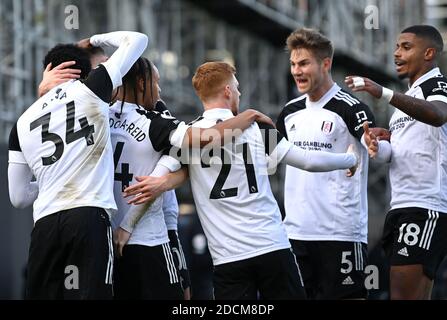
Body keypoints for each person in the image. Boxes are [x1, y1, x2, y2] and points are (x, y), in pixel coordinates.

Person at [123, 61, 360, 300]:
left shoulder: (189, 137)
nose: (239, 92)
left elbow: (151, 183)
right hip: (272, 246)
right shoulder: (257, 129)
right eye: (236, 87)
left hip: (228, 258)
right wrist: (349, 159)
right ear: (227, 91)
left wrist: (126, 227)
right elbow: (307, 161)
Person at [8, 31, 149, 299]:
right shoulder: (93, 88)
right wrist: (93, 40)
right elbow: (138, 40)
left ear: (47, 73)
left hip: (45, 226)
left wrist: (54, 175)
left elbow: (18, 197)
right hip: (88, 217)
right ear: (84, 72)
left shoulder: (21, 123)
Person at [275, 28, 389, 300]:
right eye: (293, 64)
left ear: (325, 64)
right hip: (295, 233)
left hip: (340, 234)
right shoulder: (289, 112)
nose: (296, 71)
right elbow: (271, 159)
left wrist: (376, 147)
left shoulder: (351, 108)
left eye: (304, 63)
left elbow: (377, 147)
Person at [345, 24, 447, 300]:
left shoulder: (438, 85)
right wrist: (381, 144)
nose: (396, 53)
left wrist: (382, 92)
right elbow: (399, 152)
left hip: (425, 205)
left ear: (429, 53)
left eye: (405, 47)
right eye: (396, 47)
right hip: (402, 204)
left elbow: (438, 115)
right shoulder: (410, 97)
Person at [109, 57, 185, 299]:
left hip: (107, 246)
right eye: (157, 82)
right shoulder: (155, 122)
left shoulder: (97, 116)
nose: (160, 91)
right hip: (150, 242)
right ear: (142, 83)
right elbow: (192, 149)